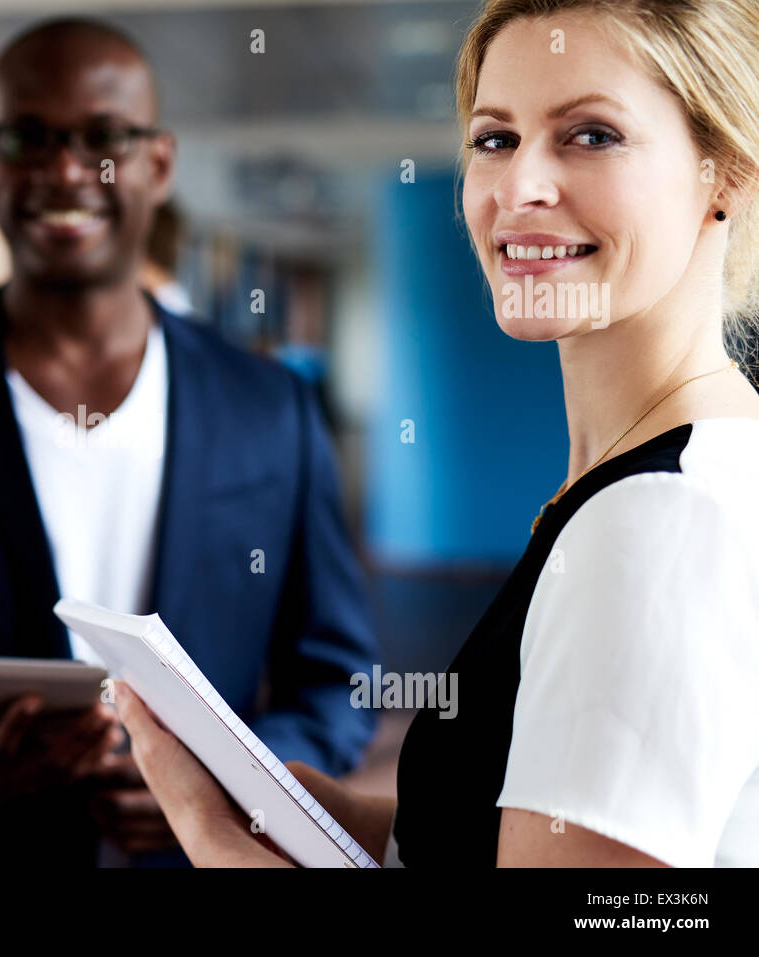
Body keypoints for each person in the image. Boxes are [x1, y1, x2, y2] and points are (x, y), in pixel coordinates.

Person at [118, 0, 759, 869]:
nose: (519, 187)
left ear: (726, 176)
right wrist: (367, 818)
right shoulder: (686, 468)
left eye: (592, 135)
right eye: (495, 139)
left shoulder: (659, 518)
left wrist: (214, 841)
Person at [0, 18, 379, 868]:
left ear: (158, 164)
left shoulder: (268, 406)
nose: (66, 171)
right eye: (31, 138)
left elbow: (336, 676)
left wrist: (231, 787)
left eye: (103, 139)